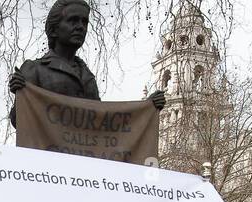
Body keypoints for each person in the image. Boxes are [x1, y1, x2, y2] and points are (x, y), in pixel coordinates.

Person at [9, 0, 165, 126]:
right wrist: (22, 93)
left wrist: (146, 108)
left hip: (83, 159)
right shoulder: (34, 69)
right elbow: (19, 121)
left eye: (84, 22)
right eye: (73, 20)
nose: (80, 27)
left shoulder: (87, 75)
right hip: (49, 160)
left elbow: (102, 120)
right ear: (54, 29)